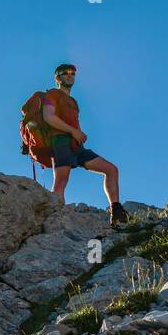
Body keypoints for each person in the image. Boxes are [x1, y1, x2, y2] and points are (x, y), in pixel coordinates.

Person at [40, 63, 127, 225]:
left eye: (72, 73)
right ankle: (55, 219)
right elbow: (49, 117)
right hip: (60, 142)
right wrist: (73, 132)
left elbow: (75, 123)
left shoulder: (73, 102)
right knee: (61, 181)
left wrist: (78, 133)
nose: (70, 75)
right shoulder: (52, 94)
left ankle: (116, 212)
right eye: (65, 73)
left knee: (111, 169)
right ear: (57, 78)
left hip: (76, 145)